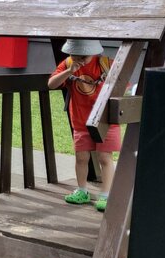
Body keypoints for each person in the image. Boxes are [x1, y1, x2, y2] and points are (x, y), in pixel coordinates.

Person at [48, 39, 118, 211]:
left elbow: (123, 84)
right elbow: (51, 84)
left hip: (105, 121)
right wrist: (69, 71)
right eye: (74, 54)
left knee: (104, 158)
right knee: (81, 158)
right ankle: (82, 190)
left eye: (83, 56)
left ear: (94, 52)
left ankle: (106, 195)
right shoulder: (68, 63)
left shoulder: (105, 64)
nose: (79, 59)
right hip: (80, 122)